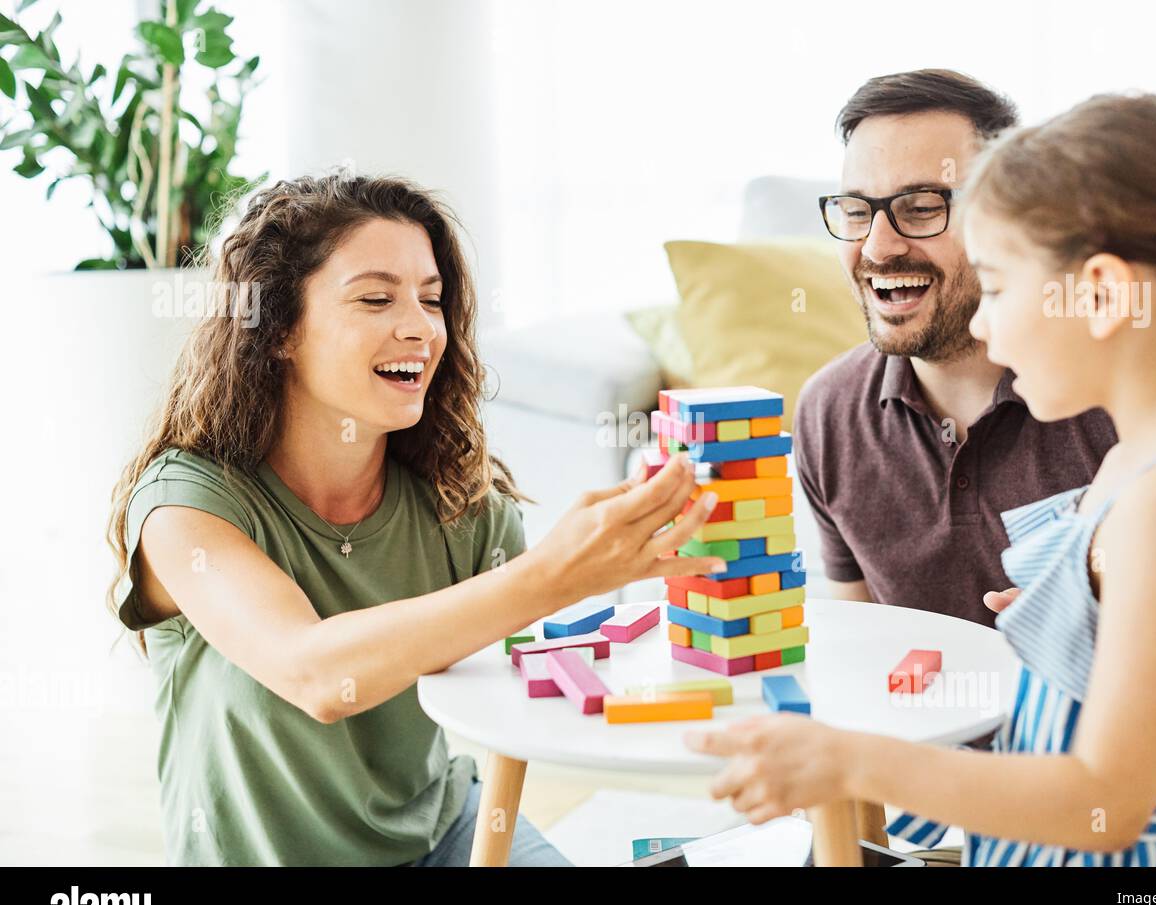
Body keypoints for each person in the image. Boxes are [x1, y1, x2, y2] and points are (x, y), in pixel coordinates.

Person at [688, 90, 1156, 865]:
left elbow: (1105, 804)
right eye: (856, 208)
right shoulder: (1142, 463)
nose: (984, 323)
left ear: (1103, 292)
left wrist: (850, 759)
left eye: (1001, 287)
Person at [107, 173, 725, 866]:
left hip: (447, 834)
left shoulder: (465, 506)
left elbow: (520, 695)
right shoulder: (186, 506)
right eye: (376, 298)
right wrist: (554, 576)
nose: (419, 327)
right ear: (277, 327)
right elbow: (312, 673)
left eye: (431, 300)